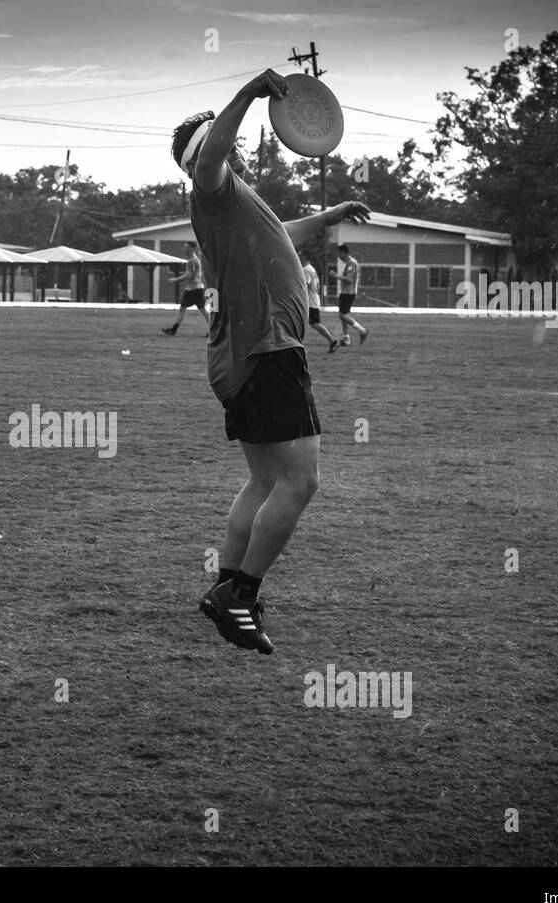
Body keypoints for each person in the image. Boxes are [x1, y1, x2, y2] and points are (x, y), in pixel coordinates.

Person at [171, 71, 370, 654]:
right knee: (302, 481)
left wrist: (330, 215)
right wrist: (249, 92)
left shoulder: (238, 205)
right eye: (219, 142)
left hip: (244, 356)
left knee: (263, 479)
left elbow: (282, 234)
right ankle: (240, 595)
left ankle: (228, 588)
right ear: (204, 154)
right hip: (266, 351)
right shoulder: (211, 186)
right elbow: (212, 155)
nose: (231, 149)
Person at [163, 240, 210, 336]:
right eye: (184, 247)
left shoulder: (192, 260)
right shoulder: (190, 258)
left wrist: (175, 279)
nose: (184, 249)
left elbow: (189, 275)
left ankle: (213, 330)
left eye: (186, 247)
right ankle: (173, 329)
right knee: (183, 308)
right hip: (190, 288)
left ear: (192, 249)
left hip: (195, 289)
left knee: (202, 310)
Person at [329, 244, 368, 346]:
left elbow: (349, 279)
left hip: (349, 293)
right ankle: (346, 338)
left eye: (339, 253)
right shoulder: (349, 263)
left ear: (343, 252)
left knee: (342, 315)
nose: (338, 256)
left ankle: (362, 330)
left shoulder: (352, 263)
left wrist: (335, 276)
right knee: (343, 316)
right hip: (345, 292)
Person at [301, 251, 340, 352]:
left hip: (310, 301)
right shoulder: (311, 269)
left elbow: (304, 285)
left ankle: (332, 341)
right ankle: (332, 341)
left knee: (312, 323)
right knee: (311, 323)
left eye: (300, 255)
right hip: (313, 299)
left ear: (305, 257)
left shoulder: (305, 270)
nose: (298, 257)